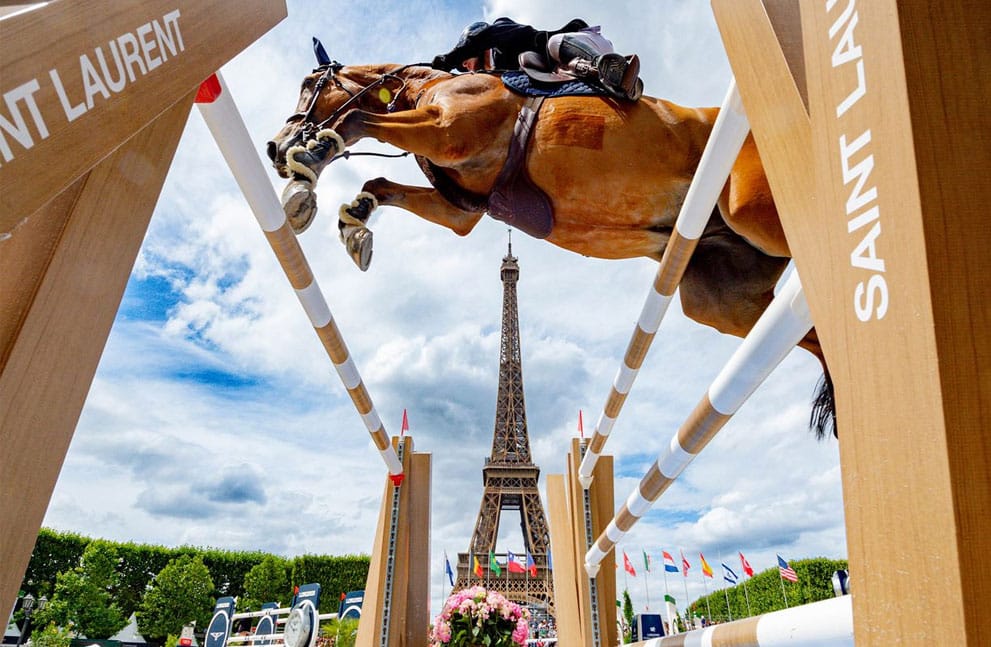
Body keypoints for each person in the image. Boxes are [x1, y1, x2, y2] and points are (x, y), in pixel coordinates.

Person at [431, 17, 642, 101]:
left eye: (464, 60)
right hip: (563, 71)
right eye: (460, 66)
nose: (464, 66)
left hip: (583, 43)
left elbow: (485, 37)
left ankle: (612, 71)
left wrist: (449, 59)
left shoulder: (498, 33)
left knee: (553, 44)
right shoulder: (501, 75)